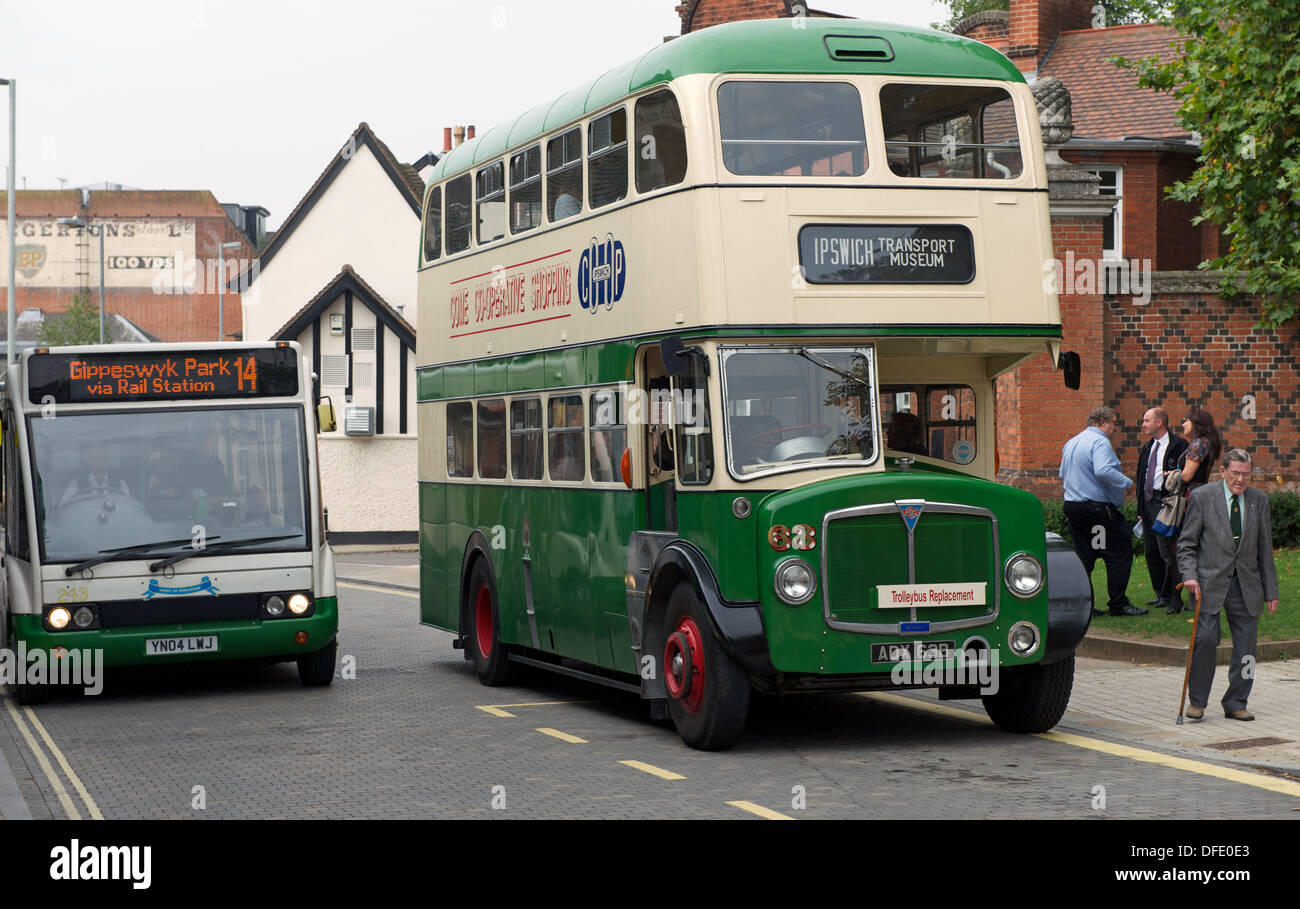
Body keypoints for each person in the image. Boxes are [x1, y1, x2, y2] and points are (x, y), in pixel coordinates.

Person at [1177, 449, 1279, 721]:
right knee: (1206, 640)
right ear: (1222, 471)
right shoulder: (1202, 497)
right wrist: (1189, 574)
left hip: (1246, 585)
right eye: (1235, 473)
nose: (1240, 480)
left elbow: (1265, 551)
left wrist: (1271, 590)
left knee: (1247, 648)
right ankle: (1197, 701)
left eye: (1246, 474)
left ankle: (1236, 701)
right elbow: (1187, 544)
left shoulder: (1260, 500)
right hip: (1208, 583)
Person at [1059, 406, 1145, 616]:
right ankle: (1118, 603)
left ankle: (1082, 605)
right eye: (1113, 423)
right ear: (1101, 422)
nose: (1115, 428)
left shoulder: (1072, 442)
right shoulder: (1099, 441)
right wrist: (1127, 482)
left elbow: (1062, 472)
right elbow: (1103, 470)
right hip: (1096, 509)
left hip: (1074, 506)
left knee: (1086, 555)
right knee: (1119, 552)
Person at [1158, 409, 1222, 612]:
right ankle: (1190, 595)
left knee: (1179, 547)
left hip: (1188, 500)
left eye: (1186, 420)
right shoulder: (1207, 443)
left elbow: (1186, 476)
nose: (1183, 424)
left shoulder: (1198, 444)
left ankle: (1177, 599)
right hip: (1199, 497)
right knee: (1193, 546)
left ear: (1197, 423)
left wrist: (1172, 473)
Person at [1135, 407, 1188, 612]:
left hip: (1165, 502)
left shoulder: (1179, 445)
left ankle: (1173, 595)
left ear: (1159, 422)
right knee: (1151, 551)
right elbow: (1141, 476)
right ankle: (1160, 593)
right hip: (1148, 502)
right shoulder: (1148, 447)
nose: (1143, 424)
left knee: (1167, 550)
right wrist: (1141, 507)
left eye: (1147, 420)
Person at [60, 446, 130, 507]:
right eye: (98, 458)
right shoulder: (76, 483)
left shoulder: (119, 483)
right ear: (90, 461)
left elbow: (128, 506)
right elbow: (64, 507)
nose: (102, 461)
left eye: (105, 458)